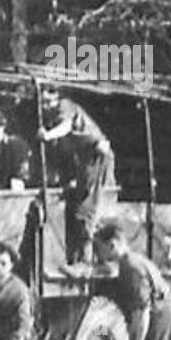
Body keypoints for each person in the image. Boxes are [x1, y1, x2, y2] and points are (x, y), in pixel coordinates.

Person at [37, 84, 114, 264]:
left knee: (85, 213)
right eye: (42, 103)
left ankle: (86, 263)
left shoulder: (65, 106)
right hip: (84, 162)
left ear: (56, 96)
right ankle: (78, 259)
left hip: (96, 157)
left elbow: (66, 126)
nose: (45, 106)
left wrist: (48, 135)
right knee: (78, 213)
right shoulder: (50, 118)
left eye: (48, 101)